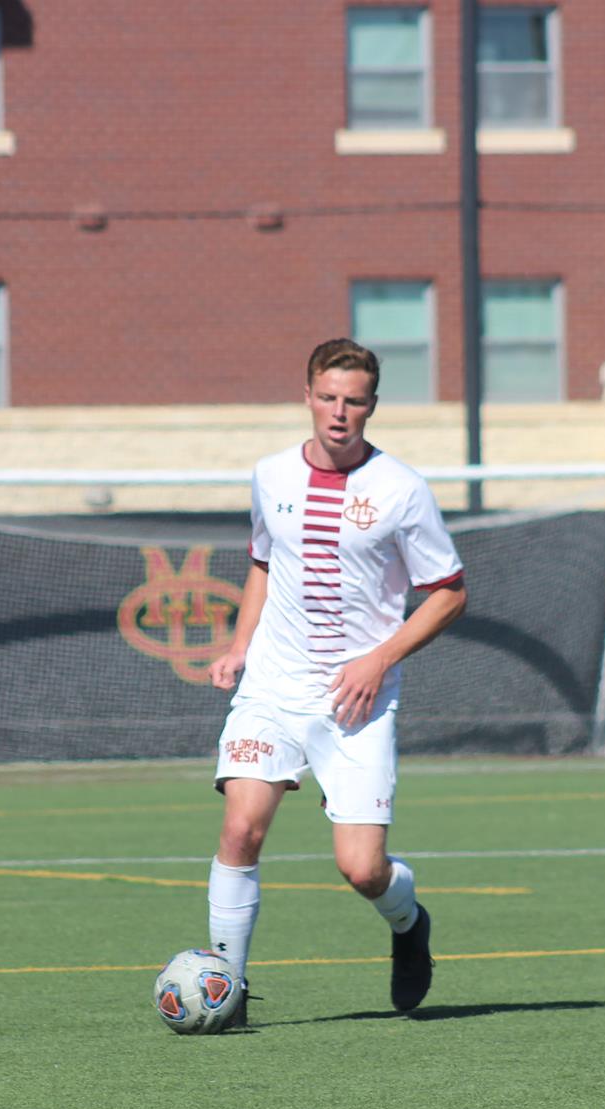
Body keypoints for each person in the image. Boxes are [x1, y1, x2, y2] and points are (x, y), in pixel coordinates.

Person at [201, 338, 468, 1026]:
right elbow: (263, 562)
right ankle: (226, 991)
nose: (339, 412)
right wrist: (239, 646)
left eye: (353, 400)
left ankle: (408, 923)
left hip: (357, 701)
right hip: (273, 688)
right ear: (309, 396)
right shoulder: (270, 474)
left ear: (372, 405)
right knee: (240, 830)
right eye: (328, 397)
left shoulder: (401, 490)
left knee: (361, 869)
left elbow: (448, 592)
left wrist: (378, 658)